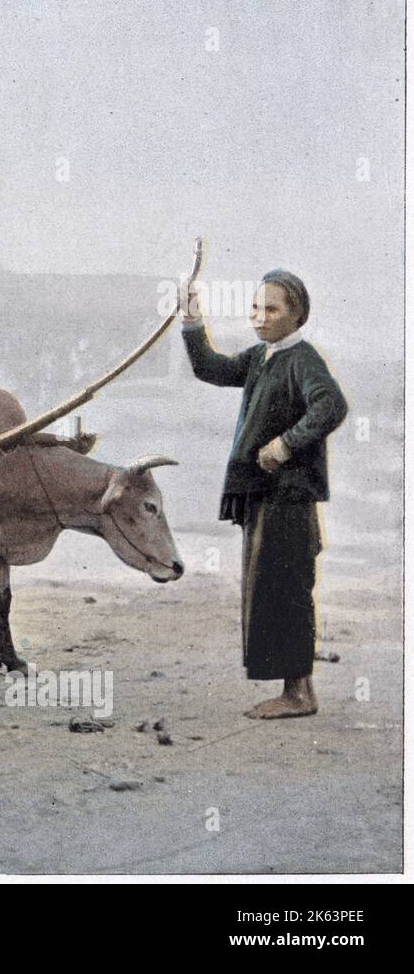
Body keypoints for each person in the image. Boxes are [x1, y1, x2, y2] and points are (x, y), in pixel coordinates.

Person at [181, 270, 347, 718]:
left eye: (272, 309)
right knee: (270, 589)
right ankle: (296, 690)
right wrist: (192, 321)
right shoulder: (262, 357)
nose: (260, 317)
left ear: (297, 317)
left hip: (289, 497)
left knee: (287, 589)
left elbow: (331, 405)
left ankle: (298, 694)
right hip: (264, 495)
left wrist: (286, 444)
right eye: (256, 307)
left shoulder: (302, 359)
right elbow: (209, 368)